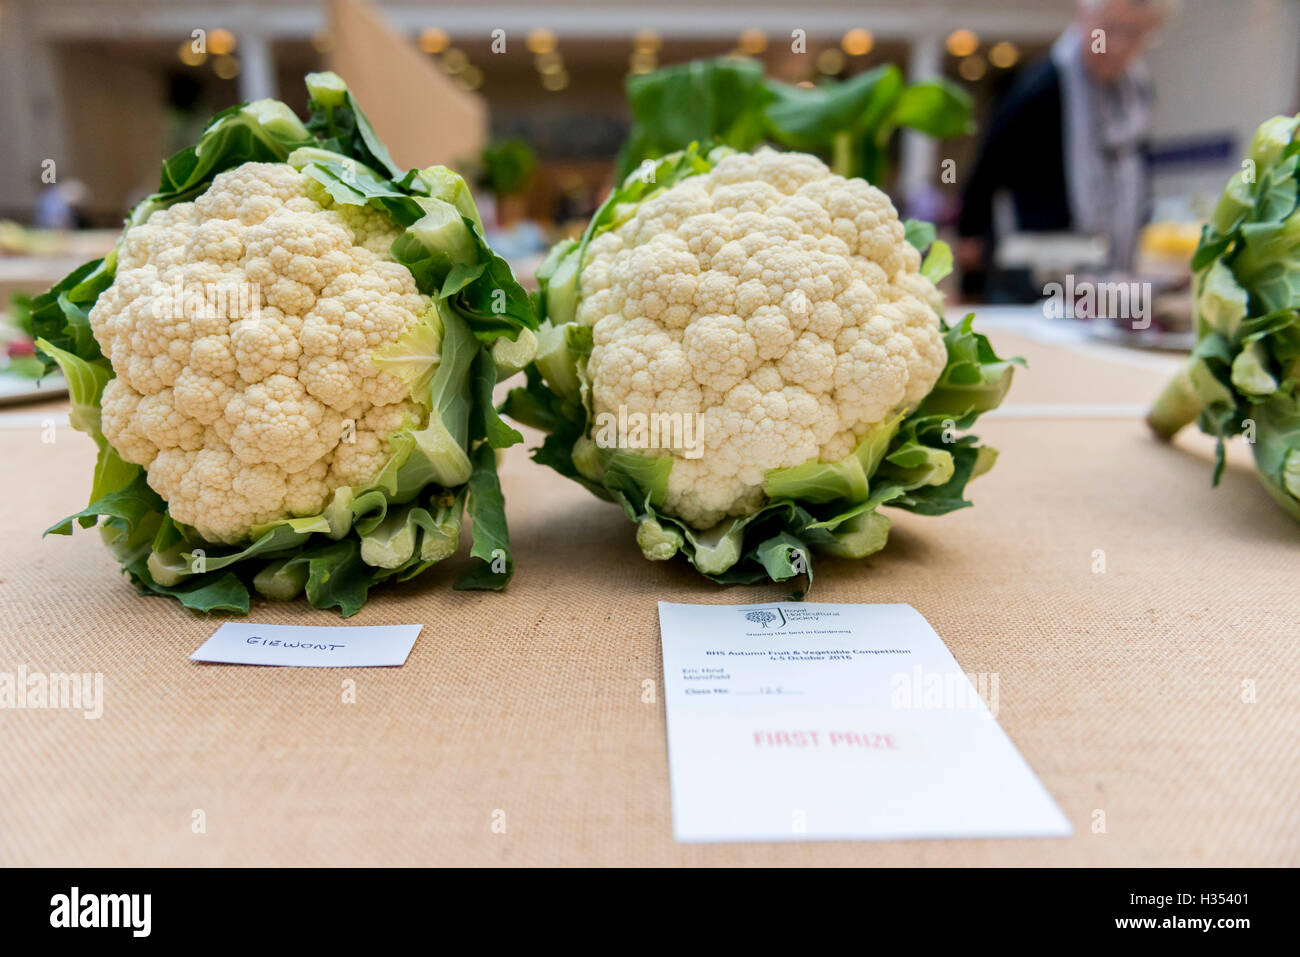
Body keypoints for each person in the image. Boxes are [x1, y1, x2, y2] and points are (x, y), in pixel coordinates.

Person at [957, 0, 1169, 300]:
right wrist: (970, 238)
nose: (1120, 45)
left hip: (1108, 265)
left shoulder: (1138, 95)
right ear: (1083, 18)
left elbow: (1139, 170)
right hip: (1036, 265)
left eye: (1136, 33)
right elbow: (988, 165)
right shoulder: (1042, 86)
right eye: (1111, 29)